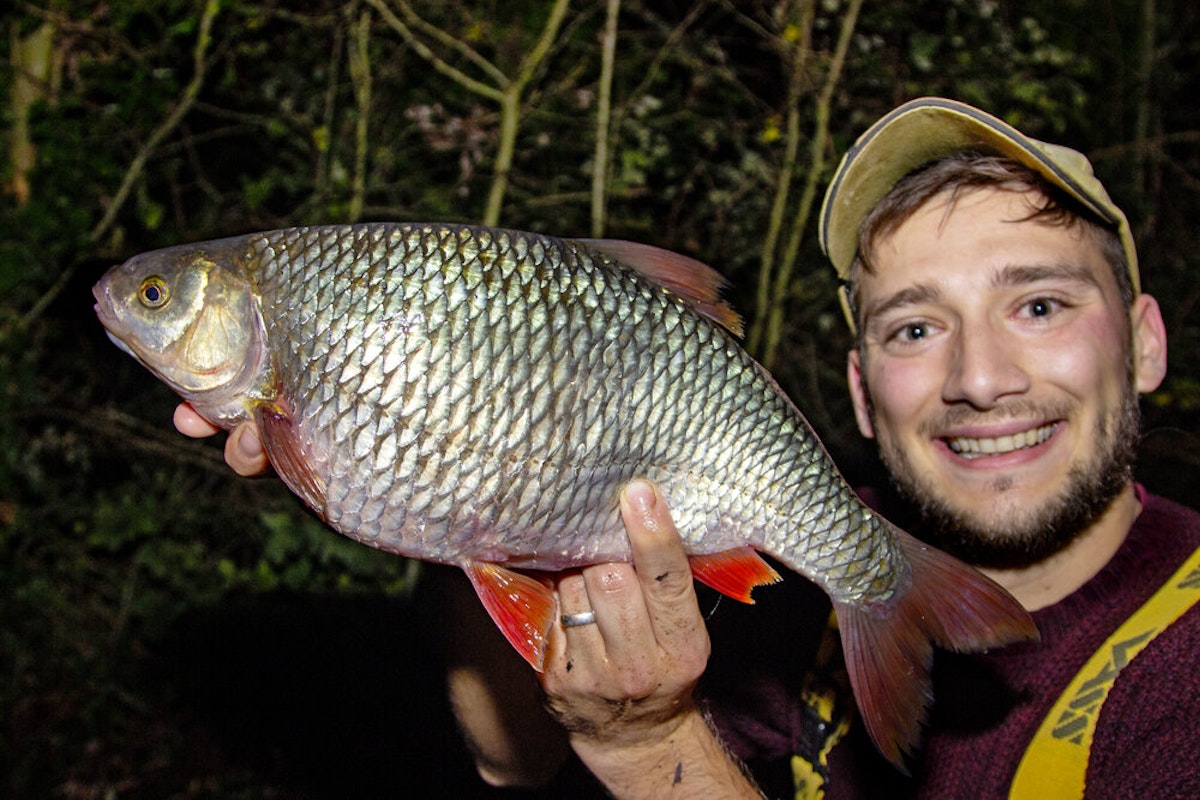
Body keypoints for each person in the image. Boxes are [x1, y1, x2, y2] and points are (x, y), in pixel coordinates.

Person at [176, 96, 1200, 798]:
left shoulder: (1180, 676)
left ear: (1149, 340)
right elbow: (512, 760)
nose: (981, 376)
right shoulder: (791, 566)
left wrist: (654, 742)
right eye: (915, 326)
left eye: (1039, 301)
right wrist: (458, 491)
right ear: (856, 383)